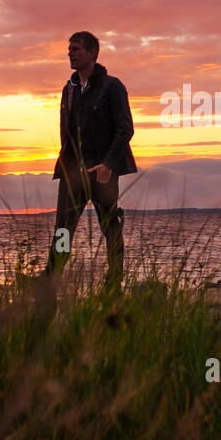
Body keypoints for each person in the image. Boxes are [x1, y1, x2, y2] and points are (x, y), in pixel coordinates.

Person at [46, 31, 137, 285]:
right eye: (69, 49)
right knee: (63, 228)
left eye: (76, 49)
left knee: (110, 225)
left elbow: (125, 128)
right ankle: (51, 278)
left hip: (101, 169)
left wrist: (109, 164)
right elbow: (67, 132)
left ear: (93, 53)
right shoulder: (69, 89)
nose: (70, 53)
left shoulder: (112, 87)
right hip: (72, 171)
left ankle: (114, 280)